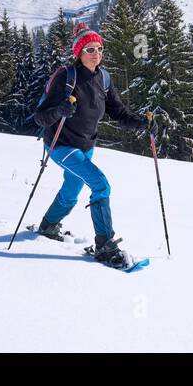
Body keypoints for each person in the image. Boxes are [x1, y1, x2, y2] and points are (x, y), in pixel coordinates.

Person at [33, 23, 156, 268]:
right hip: (61, 145)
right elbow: (40, 116)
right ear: (79, 52)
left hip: (86, 145)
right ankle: (105, 245)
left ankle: (48, 226)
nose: (96, 54)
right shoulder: (66, 77)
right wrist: (60, 110)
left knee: (71, 190)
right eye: (90, 49)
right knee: (101, 184)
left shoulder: (104, 77)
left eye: (99, 48)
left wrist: (142, 124)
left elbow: (117, 111)